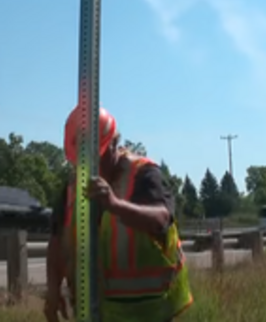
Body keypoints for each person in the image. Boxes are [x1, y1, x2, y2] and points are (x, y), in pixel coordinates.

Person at [44, 105, 193, 322]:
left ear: (115, 143)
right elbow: (57, 240)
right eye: (82, 160)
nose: (89, 167)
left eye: (97, 157)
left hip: (148, 313)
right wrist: (53, 290)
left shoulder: (143, 175)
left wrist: (115, 205)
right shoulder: (71, 189)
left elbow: (161, 219)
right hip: (94, 312)